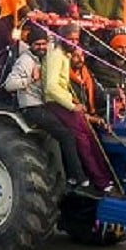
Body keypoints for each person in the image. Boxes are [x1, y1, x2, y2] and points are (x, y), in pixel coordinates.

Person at [3, 24, 90, 189]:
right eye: (37, 44)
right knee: (66, 136)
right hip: (32, 107)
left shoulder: (45, 57)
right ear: (30, 45)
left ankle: (71, 176)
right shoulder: (25, 61)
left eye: (44, 44)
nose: (41, 47)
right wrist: (30, 79)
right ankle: (77, 177)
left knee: (72, 130)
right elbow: (9, 84)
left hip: (44, 105)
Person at [43, 23, 114, 192]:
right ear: (62, 38)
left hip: (67, 101)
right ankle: (98, 181)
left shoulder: (65, 55)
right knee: (83, 140)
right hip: (57, 103)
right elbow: (50, 87)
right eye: (70, 39)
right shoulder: (56, 56)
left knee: (90, 137)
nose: (74, 42)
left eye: (76, 39)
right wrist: (71, 105)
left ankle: (105, 177)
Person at [69, 48, 105, 126]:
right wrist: (90, 118)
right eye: (76, 56)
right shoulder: (65, 78)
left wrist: (114, 92)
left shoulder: (87, 73)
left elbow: (99, 93)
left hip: (92, 114)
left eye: (82, 55)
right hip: (76, 120)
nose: (80, 59)